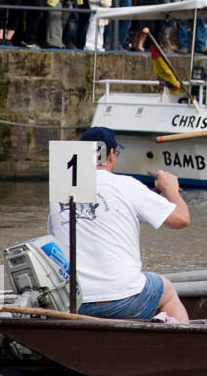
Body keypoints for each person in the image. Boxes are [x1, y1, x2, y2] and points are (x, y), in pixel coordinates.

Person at [50, 127, 191, 323]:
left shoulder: (60, 192)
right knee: (166, 290)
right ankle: (183, 346)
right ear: (110, 154)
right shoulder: (127, 185)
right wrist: (171, 189)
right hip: (121, 300)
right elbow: (182, 219)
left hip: (73, 302)